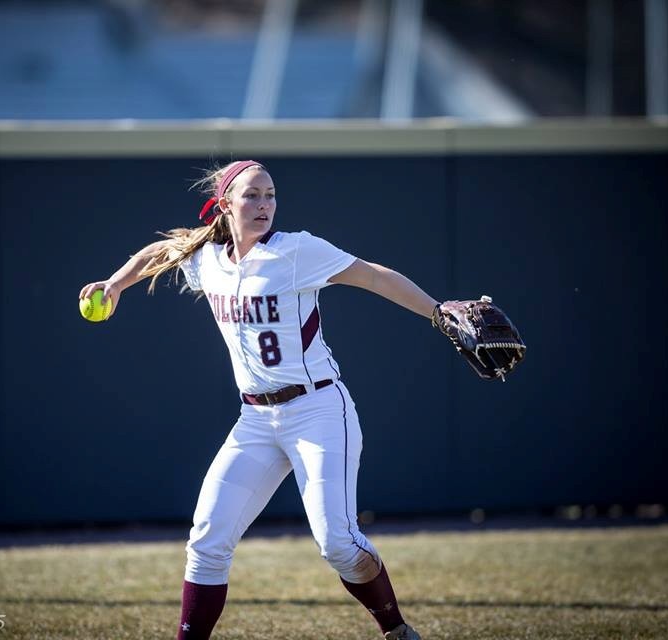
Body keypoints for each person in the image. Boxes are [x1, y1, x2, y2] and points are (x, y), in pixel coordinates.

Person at [79, 160, 439, 640]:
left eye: (270, 194)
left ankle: (395, 628)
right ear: (225, 204)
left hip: (317, 410)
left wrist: (439, 311)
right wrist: (115, 283)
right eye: (252, 195)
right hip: (255, 419)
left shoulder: (297, 250)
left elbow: (374, 276)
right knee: (207, 540)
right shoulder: (207, 258)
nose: (264, 204)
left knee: (338, 544)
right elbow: (159, 252)